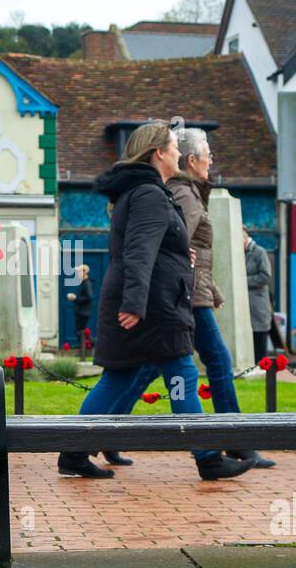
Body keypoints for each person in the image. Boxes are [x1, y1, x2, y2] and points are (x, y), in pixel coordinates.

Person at [57, 121, 249, 481]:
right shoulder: (148, 193)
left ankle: (73, 452)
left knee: (119, 378)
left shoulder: (144, 191)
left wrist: (181, 255)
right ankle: (207, 458)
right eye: (175, 147)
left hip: (151, 303)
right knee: (183, 375)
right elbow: (139, 251)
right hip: (154, 309)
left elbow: (151, 246)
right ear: (159, 152)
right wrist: (133, 304)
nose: (178, 152)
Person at [101, 128, 273, 470]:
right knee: (214, 363)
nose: (211, 159)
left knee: (143, 371)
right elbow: (160, 249)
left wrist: (213, 289)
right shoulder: (177, 195)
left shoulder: (180, 192)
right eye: (205, 152)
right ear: (188, 159)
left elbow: (183, 251)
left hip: (186, 292)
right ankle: (228, 445)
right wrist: (140, 300)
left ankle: (101, 437)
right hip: (180, 296)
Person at [243, 229, 273, 364]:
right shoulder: (240, 252)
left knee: (259, 341)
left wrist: (243, 281)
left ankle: (262, 371)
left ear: (244, 238)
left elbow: (266, 276)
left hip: (258, 307)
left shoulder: (259, 252)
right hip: (245, 308)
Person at [66, 263, 93, 352]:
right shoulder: (83, 283)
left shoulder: (87, 283)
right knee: (80, 331)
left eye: (79, 272)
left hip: (83, 312)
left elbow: (89, 297)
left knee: (80, 332)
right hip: (81, 312)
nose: (77, 274)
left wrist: (75, 298)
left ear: (84, 272)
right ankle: (84, 349)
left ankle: (86, 349)